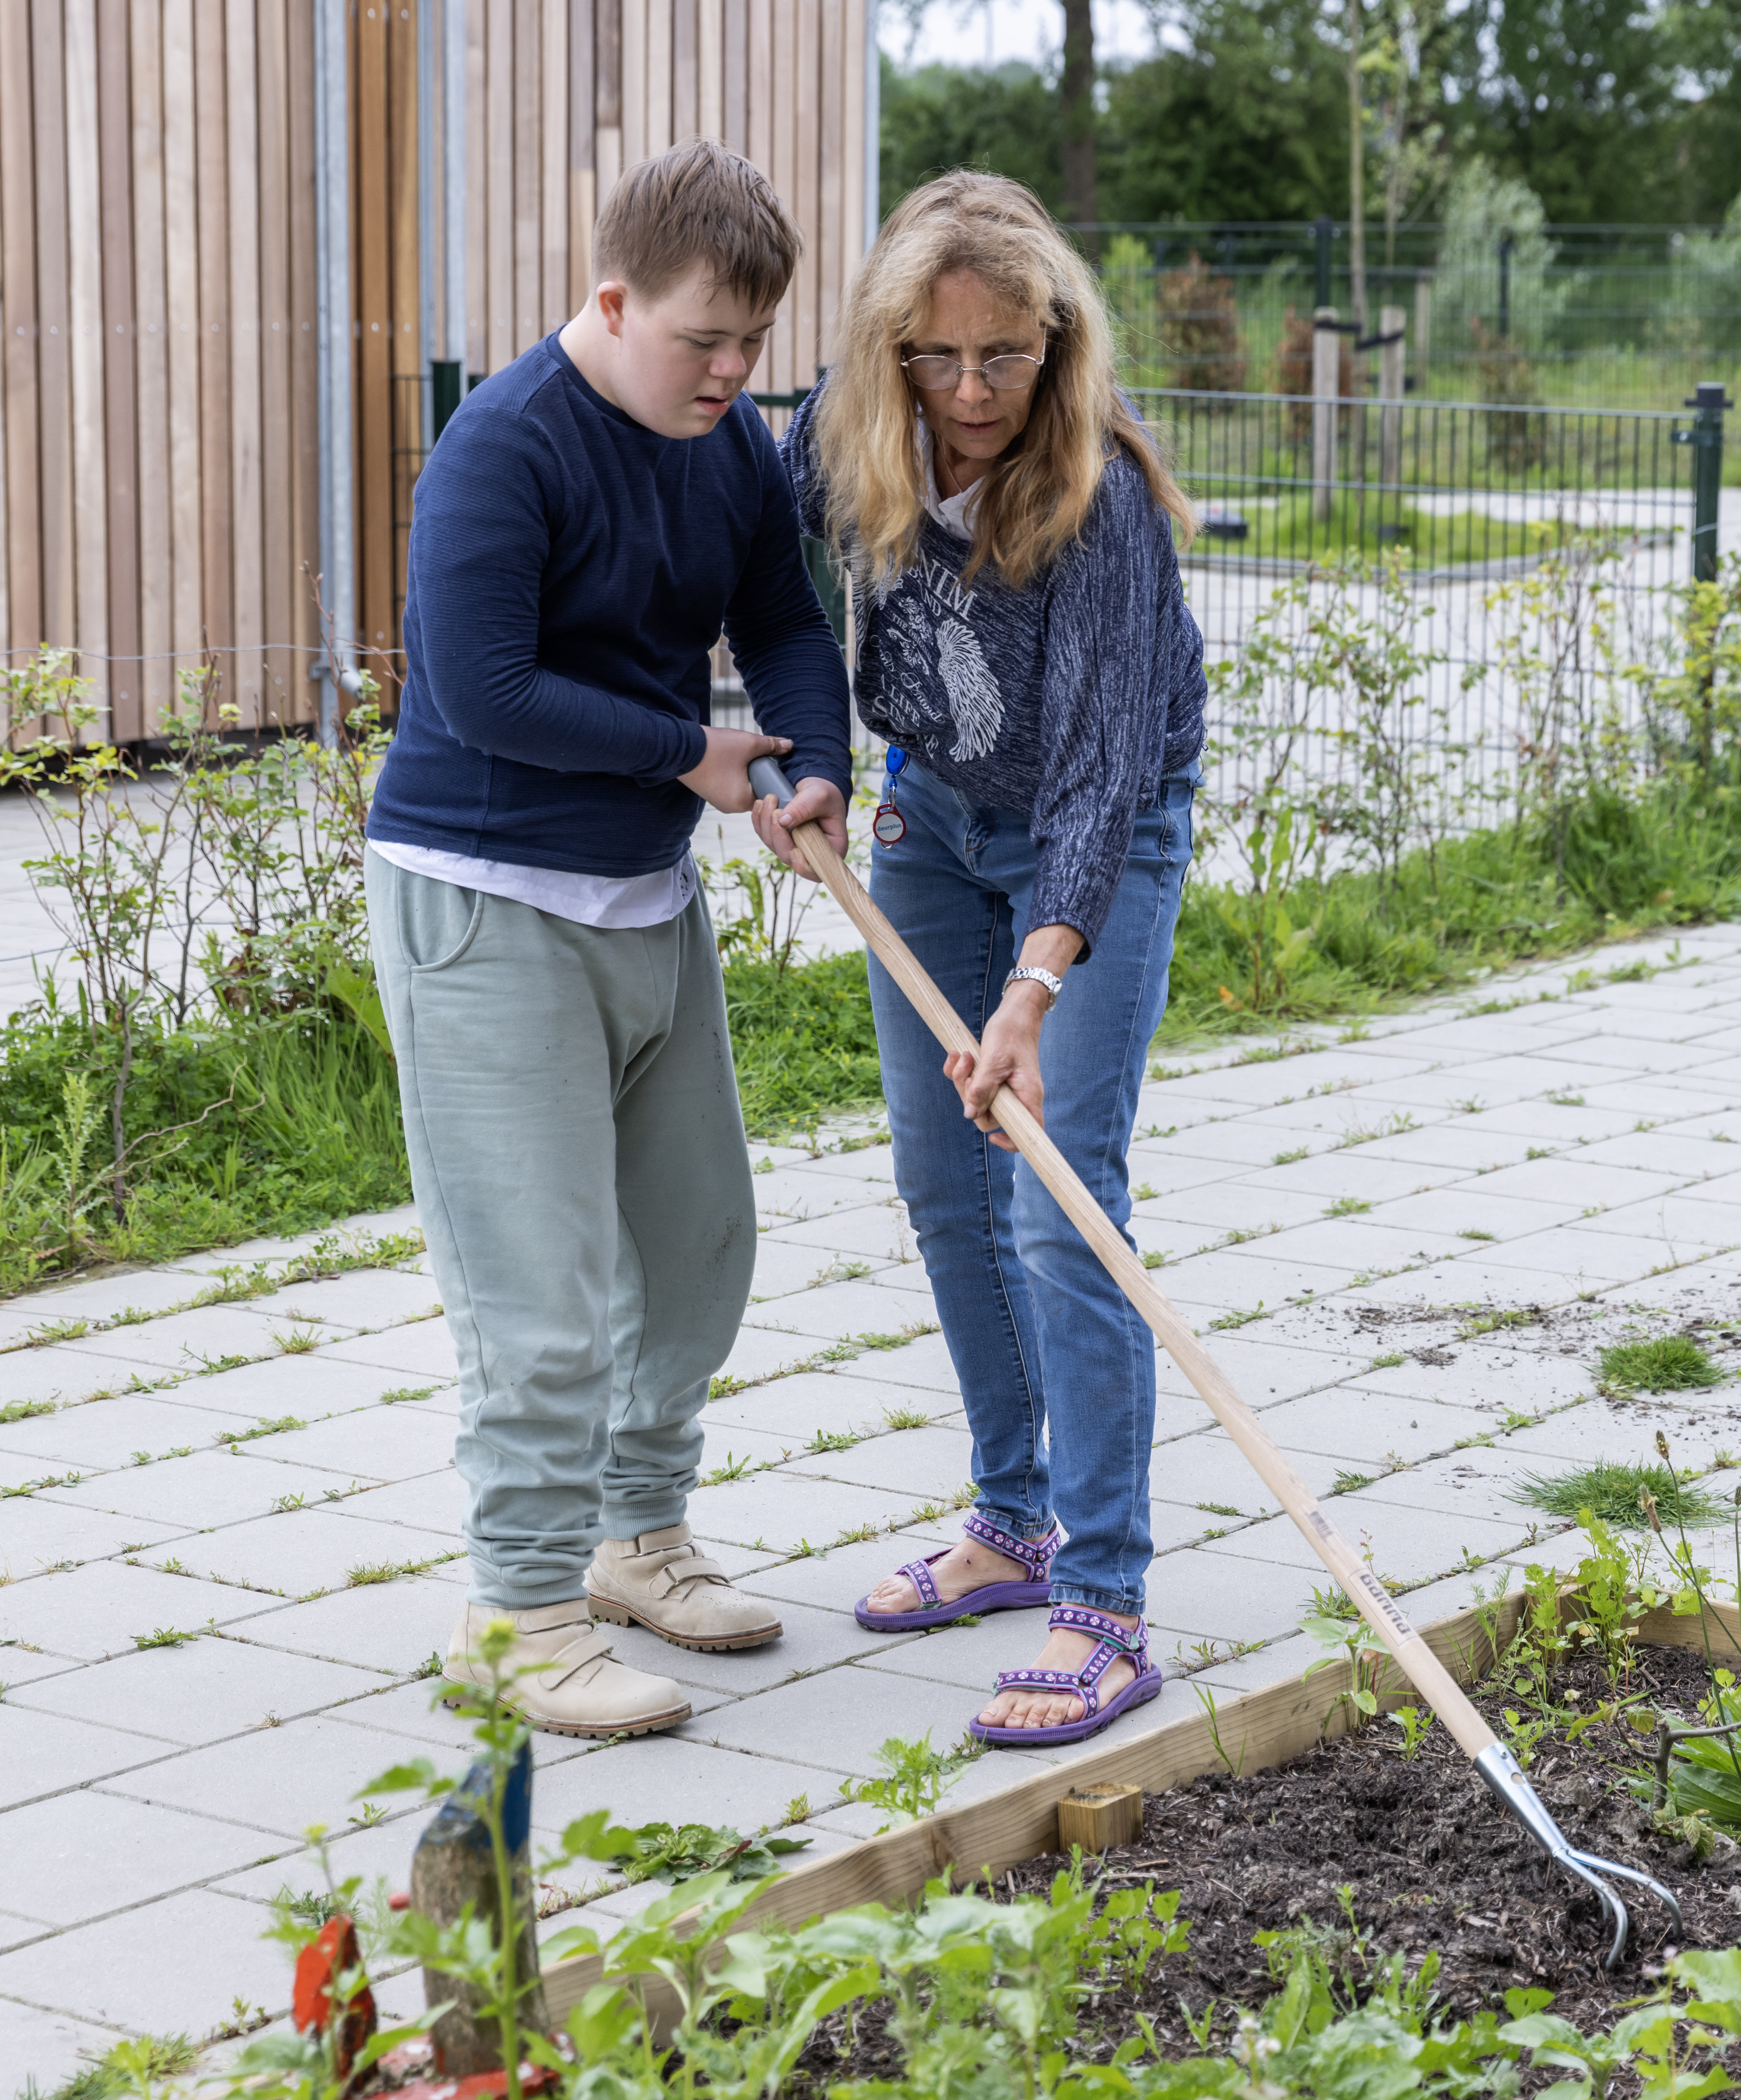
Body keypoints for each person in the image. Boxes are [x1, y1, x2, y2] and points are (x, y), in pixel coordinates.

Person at [370, 140, 854, 1739]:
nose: (731, 375)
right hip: (485, 902)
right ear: (610, 300)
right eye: (702, 341)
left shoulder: (723, 447)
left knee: (700, 1236)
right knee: (544, 1291)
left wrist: (811, 758)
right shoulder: (503, 446)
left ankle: (633, 1538)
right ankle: (517, 1610)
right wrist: (686, 753)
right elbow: (477, 690)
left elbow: (780, 614)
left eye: (752, 348)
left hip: (644, 904)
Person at [764, 169, 1202, 1749]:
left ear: (1055, 345)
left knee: (1060, 1196)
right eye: (937, 361)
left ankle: (1108, 1598)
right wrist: (796, 755)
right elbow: (763, 581)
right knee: (945, 1182)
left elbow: (1099, 777)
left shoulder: (1100, 504)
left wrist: (1033, 991)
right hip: (928, 819)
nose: (968, 396)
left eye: (1003, 359)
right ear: (889, 351)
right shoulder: (839, 431)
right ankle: (1011, 1521)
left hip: (1098, 836)